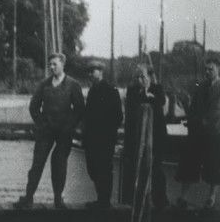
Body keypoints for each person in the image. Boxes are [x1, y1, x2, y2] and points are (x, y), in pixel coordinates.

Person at [15, 52, 85, 209]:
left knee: (59, 165)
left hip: (63, 133)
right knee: (37, 164)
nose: (52, 67)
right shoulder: (44, 84)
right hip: (45, 132)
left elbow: (79, 109)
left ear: (63, 64)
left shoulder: (73, 85)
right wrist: (41, 124)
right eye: (50, 64)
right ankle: (28, 197)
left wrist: (69, 126)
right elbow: (34, 106)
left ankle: (58, 199)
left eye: (55, 64)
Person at [122, 63, 169, 210]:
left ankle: (160, 200)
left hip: (156, 136)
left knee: (156, 168)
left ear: (149, 77)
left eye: (143, 76)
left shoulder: (157, 89)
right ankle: (134, 200)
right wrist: (144, 95)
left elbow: (160, 102)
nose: (140, 80)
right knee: (135, 167)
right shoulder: (132, 90)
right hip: (136, 136)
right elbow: (132, 106)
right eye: (137, 77)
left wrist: (150, 97)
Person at [177, 57, 220, 209]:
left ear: (218, 69)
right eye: (206, 69)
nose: (208, 72)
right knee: (189, 163)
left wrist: (205, 122)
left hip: (215, 132)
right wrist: (188, 110)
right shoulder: (200, 87)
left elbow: (217, 110)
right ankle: (183, 196)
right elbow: (194, 108)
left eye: (211, 69)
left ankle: (211, 196)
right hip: (198, 132)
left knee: (214, 165)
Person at [81, 61, 124, 208]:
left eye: (93, 71)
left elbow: (118, 116)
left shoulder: (111, 90)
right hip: (92, 138)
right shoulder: (92, 91)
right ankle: (101, 198)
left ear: (101, 72)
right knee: (93, 169)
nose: (90, 74)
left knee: (104, 169)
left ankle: (104, 201)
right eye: (89, 71)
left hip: (105, 138)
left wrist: (107, 131)